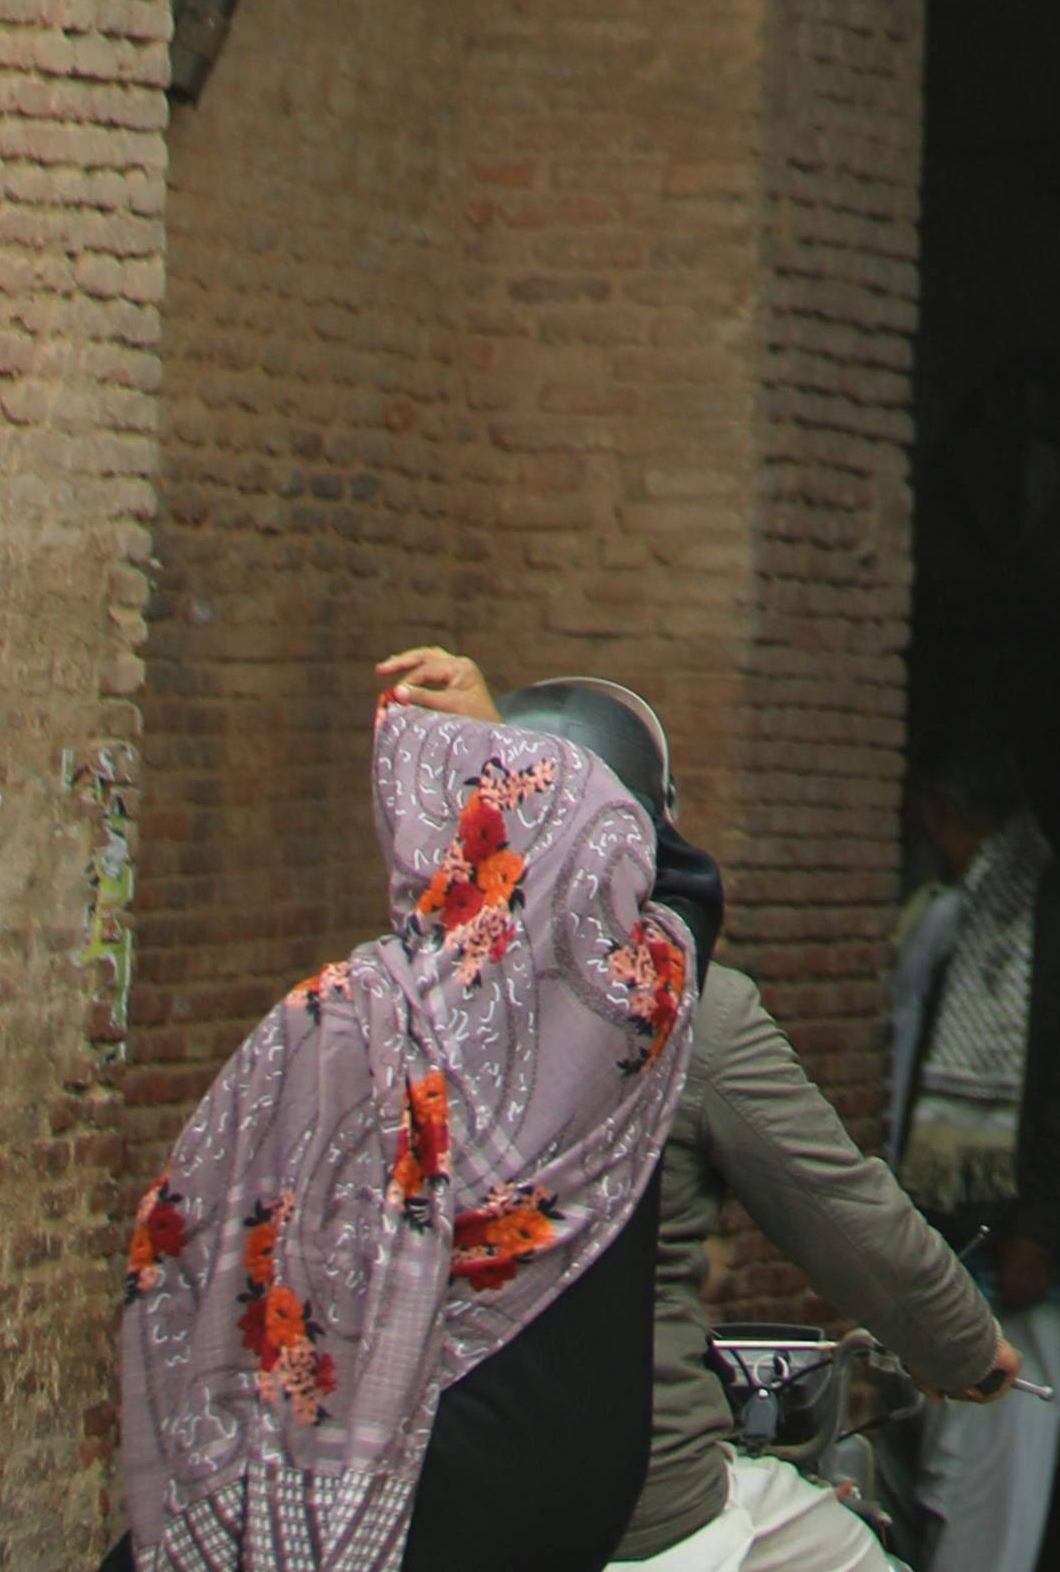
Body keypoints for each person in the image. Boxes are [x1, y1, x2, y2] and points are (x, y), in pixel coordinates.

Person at [115, 645, 702, 1572]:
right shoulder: (637, 998)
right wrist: (513, 756)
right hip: (575, 1489)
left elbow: (192, 1235)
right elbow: (671, 875)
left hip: (414, 1474)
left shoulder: (349, 1017)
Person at [544, 677, 1013, 1572]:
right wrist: (964, 1345)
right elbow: (847, 1213)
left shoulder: (388, 1006)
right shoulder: (689, 1015)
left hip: (424, 1496)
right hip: (641, 1507)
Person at [889, 735, 1060, 1572]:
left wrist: (1042, 1224)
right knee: (953, 1465)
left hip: (1009, 1241)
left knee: (1002, 1467)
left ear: (940, 815)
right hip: (946, 1234)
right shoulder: (943, 912)